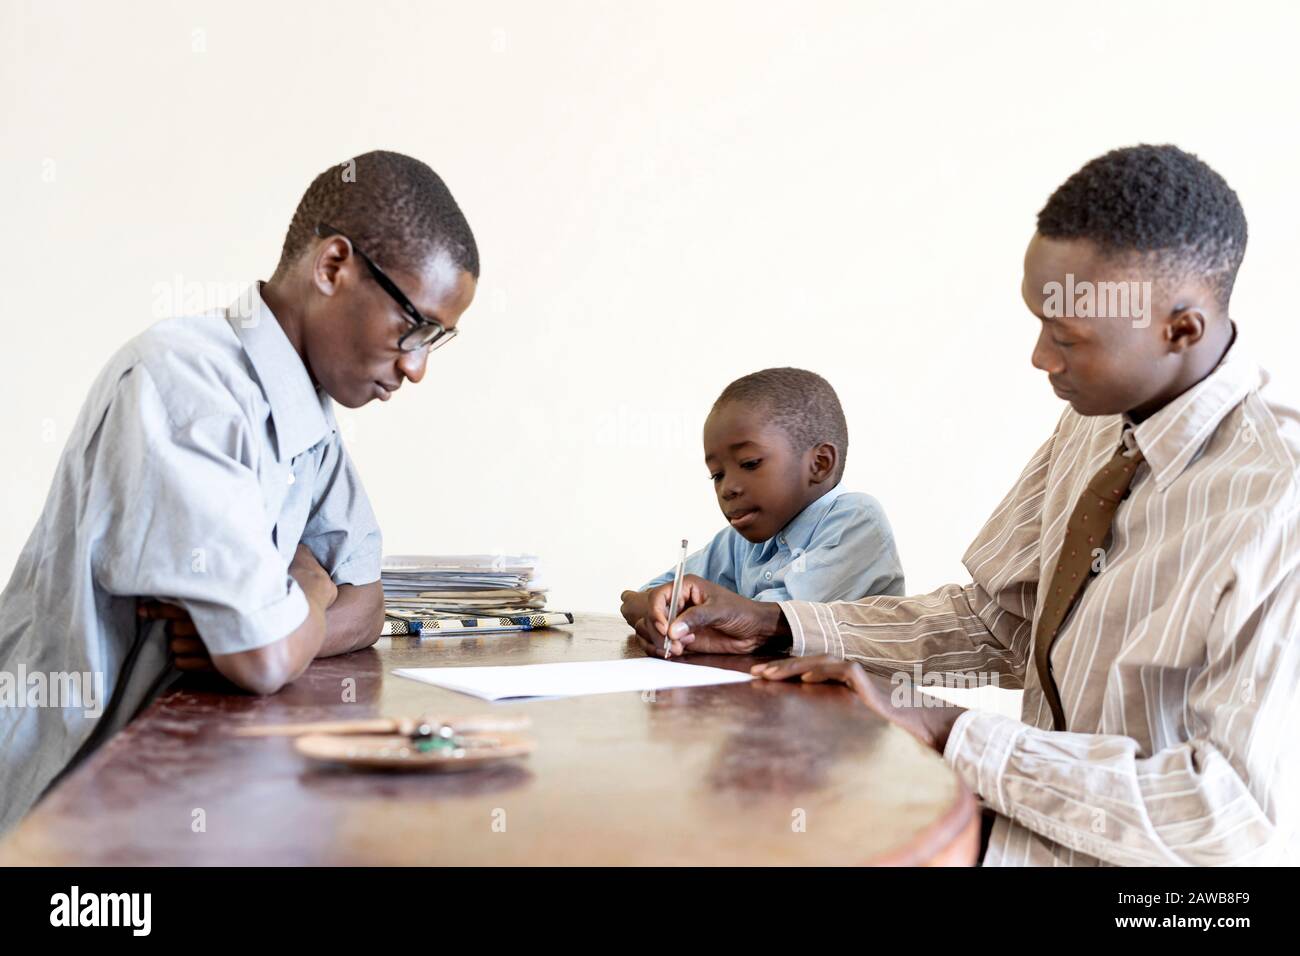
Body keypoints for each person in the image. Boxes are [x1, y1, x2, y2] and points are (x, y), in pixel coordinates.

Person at [638, 144, 1300, 866]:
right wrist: (779, 624)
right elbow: (996, 625)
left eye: (1067, 336)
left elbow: (1228, 812)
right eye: (1038, 321)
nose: (1040, 357)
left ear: (1181, 329)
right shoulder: (1094, 425)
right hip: (1017, 840)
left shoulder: (1276, 499)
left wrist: (954, 731)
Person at [0, 150, 478, 836]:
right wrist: (309, 595)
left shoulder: (309, 411)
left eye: (437, 339)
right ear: (333, 267)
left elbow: (369, 604)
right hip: (66, 812)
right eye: (414, 325)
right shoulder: (185, 383)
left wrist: (287, 621)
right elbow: (260, 657)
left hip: (178, 792)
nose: (416, 365)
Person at [620, 368, 903, 643]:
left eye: (750, 464)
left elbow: (772, 621)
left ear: (819, 464)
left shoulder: (855, 522)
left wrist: (679, 616)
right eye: (717, 475)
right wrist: (656, 611)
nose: (728, 488)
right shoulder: (738, 543)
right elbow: (643, 597)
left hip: (858, 690)